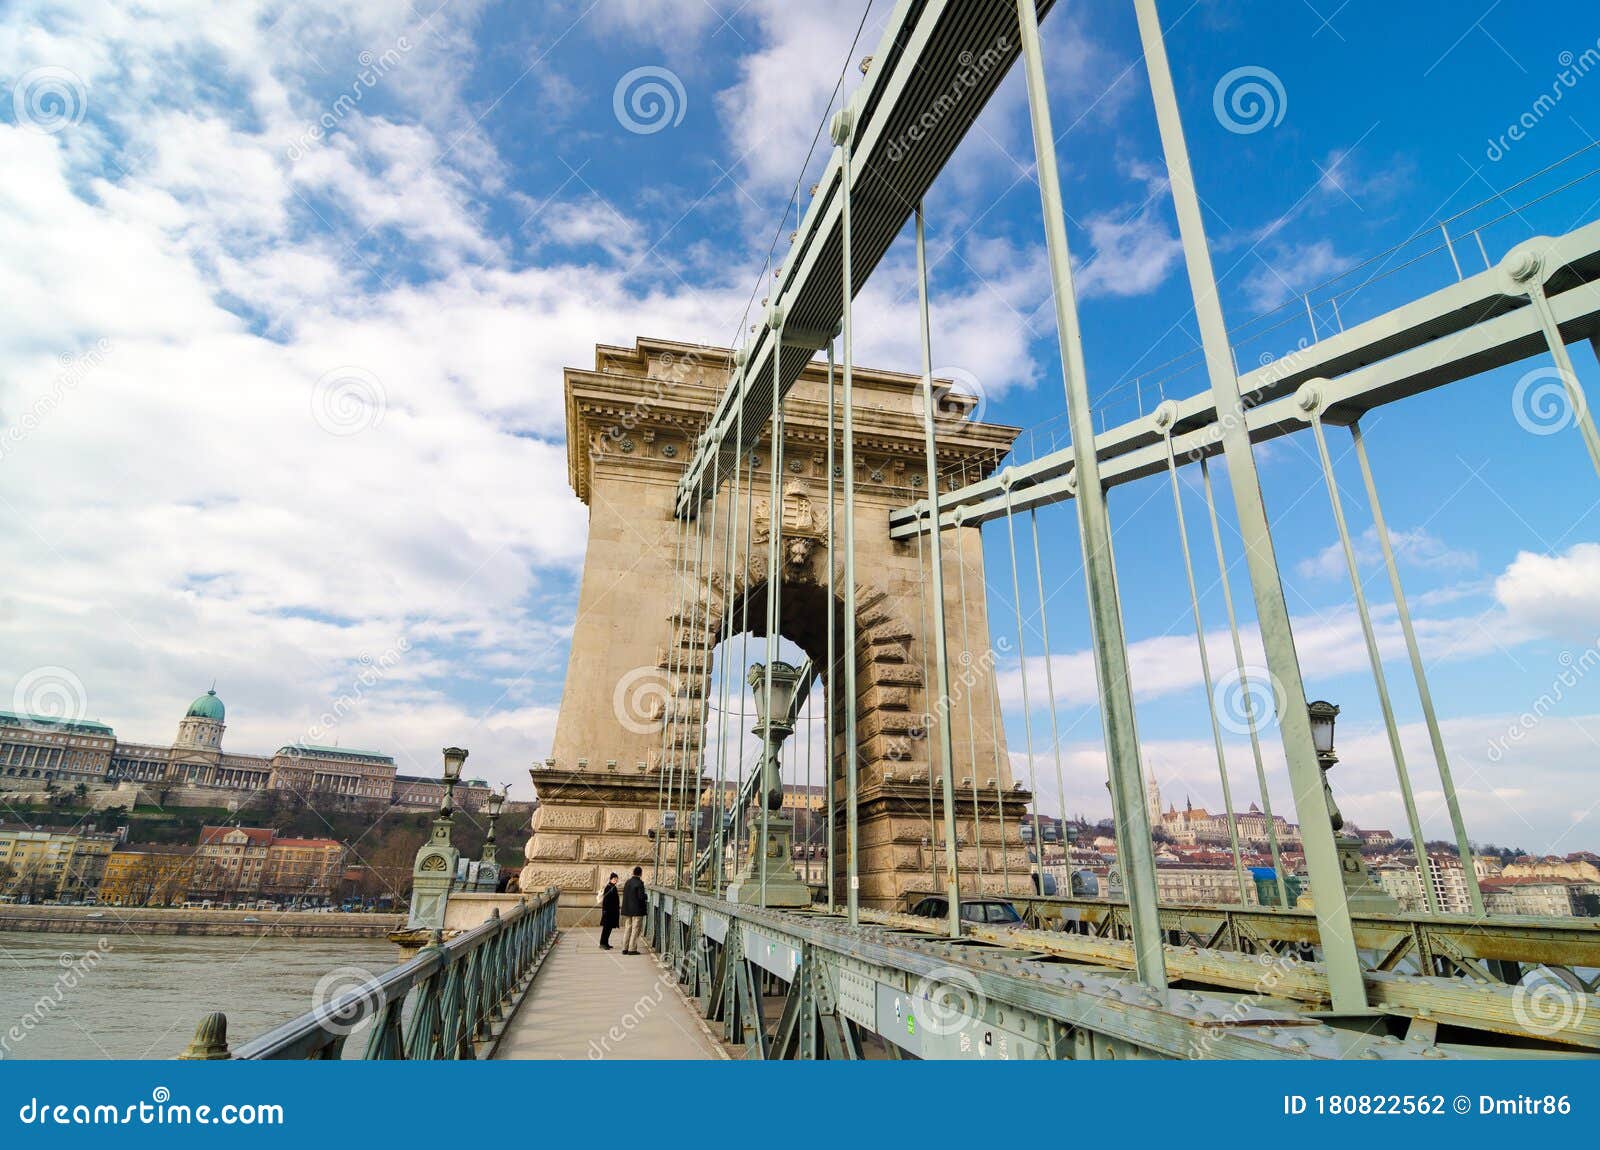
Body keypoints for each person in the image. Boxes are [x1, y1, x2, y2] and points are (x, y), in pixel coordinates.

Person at [619, 865, 647, 954]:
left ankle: (624, 948)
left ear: (633, 873)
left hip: (628, 910)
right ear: (640, 874)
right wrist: (646, 896)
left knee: (628, 928)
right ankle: (632, 949)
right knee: (635, 929)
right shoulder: (639, 883)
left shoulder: (627, 882)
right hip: (637, 910)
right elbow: (641, 897)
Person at [597, 872, 620, 950]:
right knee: (606, 928)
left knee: (609, 928)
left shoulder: (613, 887)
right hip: (608, 912)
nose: (615, 880)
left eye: (616, 879)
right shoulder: (608, 887)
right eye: (614, 879)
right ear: (611, 879)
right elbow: (606, 901)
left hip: (612, 912)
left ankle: (606, 943)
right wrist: (605, 911)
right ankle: (602, 943)